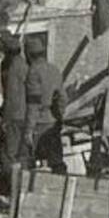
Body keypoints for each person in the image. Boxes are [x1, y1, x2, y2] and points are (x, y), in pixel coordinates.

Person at [0, 29, 28, 192]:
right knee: (19, 152)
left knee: (7, 152)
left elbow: (14, 95)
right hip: (21, 114)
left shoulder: (13, 67)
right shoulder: (18, 62)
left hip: (15, 117)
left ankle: (11, 188)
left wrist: (5, 120)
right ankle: (21, 185)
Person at [24, 37, 65, 170]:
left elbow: (33, 104)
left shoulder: (33, 72)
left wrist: (29, 129)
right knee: (56, 160)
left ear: (28, 55)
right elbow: (63, 97)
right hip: (53, 121)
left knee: (34, 163)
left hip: (39, 123)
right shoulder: (54, 69)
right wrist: (59, 116)